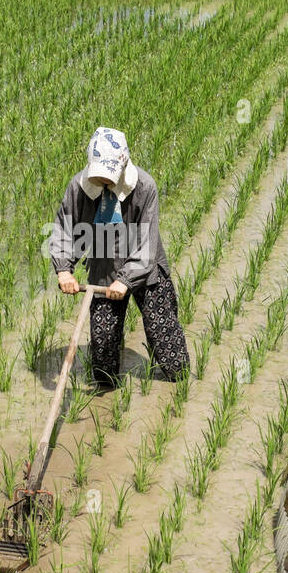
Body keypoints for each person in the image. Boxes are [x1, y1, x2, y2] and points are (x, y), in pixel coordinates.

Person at [49, 126, 190, 387]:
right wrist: (64, 269)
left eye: (110, 177)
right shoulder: (79, 187)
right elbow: (66, 229)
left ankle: (178, 385)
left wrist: (125, 280)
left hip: (146, 268)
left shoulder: (145, 187)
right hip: (104, 265)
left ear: (123, 164)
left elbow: (146, 244)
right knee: (103, 357)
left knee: (168, 349)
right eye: (100, 177)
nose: (105, 182)